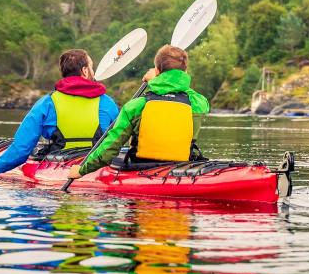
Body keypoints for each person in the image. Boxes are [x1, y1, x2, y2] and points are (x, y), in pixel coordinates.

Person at [72, 44, 209, 179]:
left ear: (157, 70)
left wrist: (82, 170)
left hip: (141, 166)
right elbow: (189, 93)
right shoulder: (198, 103)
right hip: (180, 166)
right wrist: (171, 81)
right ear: (184, 73)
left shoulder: (135, 106)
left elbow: (110, 148)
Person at [0, 49, 120, 177]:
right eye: (92, 67)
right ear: (85, 71)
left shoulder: (46, 103)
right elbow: (118, 140)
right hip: (99, 168)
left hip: (60, 167)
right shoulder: (108, 103)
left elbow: (21, 149)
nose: (93, 72)